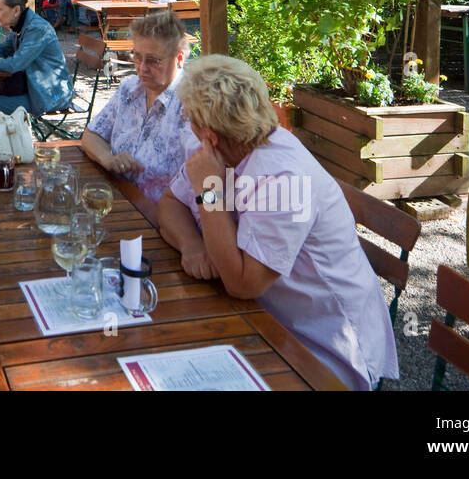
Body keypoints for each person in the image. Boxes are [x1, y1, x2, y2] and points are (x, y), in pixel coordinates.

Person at [159, 55, 399, 391]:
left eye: (190, 121)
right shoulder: (223, 153)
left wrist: (208, 191)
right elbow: (170, 205)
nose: (188, 128)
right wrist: (193, 246)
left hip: (323, 346)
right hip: (264, 318)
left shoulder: (283, 177)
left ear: (210, 135)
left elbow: (243, 284)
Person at [81, 10, 192, 201]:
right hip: (117, 197)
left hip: (160, 216)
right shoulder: (129, 89)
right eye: (137, 56)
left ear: (179, 58)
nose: (142, 68)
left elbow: (208, 185)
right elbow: (91, 135)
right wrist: (109, 159)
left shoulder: (191, 106)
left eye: (153, 60)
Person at [0, 0, 72, 117]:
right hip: (33, 87)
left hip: (52, 95)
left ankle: (3, 136)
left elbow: (16, 64)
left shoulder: (37, 28)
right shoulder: (22, 23)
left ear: (16, 10)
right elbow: (6, 47)